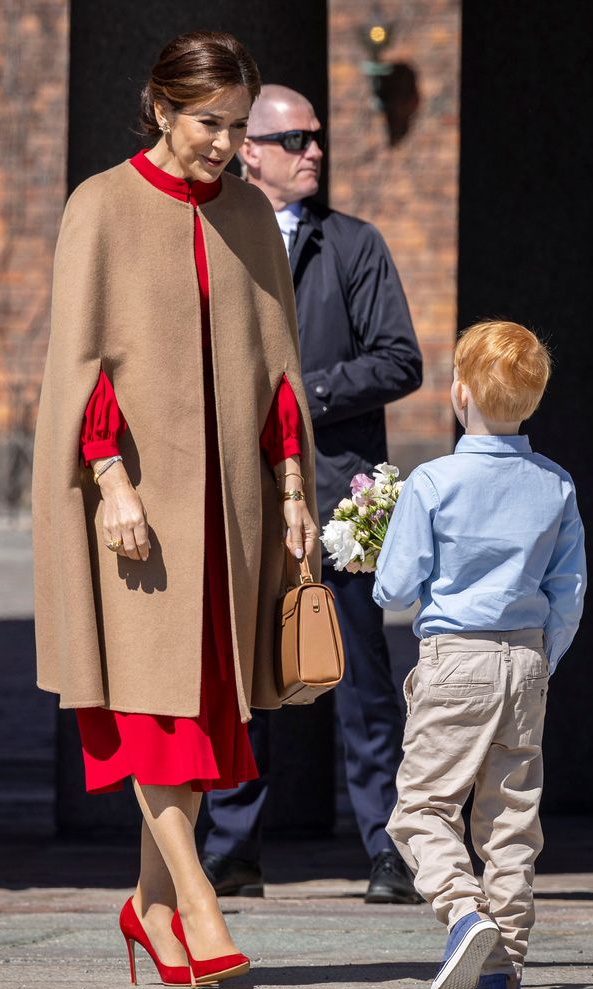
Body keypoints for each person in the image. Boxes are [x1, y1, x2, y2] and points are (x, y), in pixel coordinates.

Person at [31, 33, 321, 989]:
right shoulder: (101, 207)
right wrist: (110, 486)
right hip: (136, 510)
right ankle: (198, 902)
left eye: (240, 127)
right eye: (210, 123)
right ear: (160, 109)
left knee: (201, 718)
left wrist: (289, 498)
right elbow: (81, 368)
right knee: (152, 713)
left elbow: (277, 372)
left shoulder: (247, 211)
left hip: (229, 515)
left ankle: (147, 907)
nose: (227, 145)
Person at [201, 84, 424, 904]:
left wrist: (302, 394)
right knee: (240, 674)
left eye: (316, 138)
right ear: (248, 151)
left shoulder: (355, 245)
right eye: (294, 139)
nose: (313, 152)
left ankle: (389, 850)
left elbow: (401, 360)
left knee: (361, 679)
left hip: (338, 497)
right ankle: (232, 849)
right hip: (241, 493)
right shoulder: (216, 236)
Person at [373, 320, 586, 989]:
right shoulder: (555, 486)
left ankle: (463, 914)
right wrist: (544, 656)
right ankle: (505, 967)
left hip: (453, 661)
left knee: (421, 810)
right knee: (511, 822)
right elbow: (569, 591)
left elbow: (396, 587)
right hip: (526, 661)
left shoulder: (434, 482)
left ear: (459, 392)